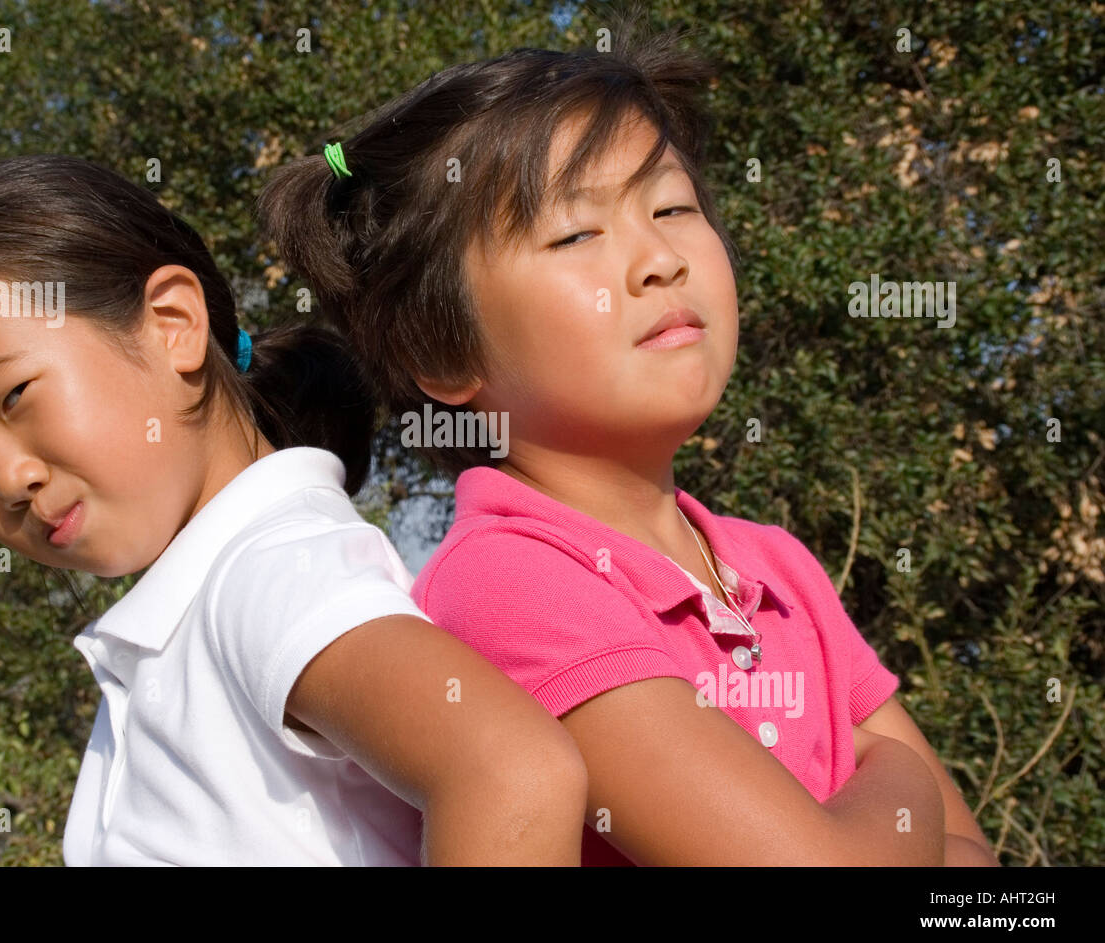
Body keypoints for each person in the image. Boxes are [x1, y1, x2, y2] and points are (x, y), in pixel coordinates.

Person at [255, 18, 1000, 866]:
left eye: (673, 207)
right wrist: (896, 768)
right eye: (577, 234)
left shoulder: (777, 566)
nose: (659, 259)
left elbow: (978, 871)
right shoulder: (510, 579)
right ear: (441, 349)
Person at [0, 154, 588, 866]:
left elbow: (508, 768)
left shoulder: (267, 573)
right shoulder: (204, 607)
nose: (7, 479)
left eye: (13, 396)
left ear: (172, 325)